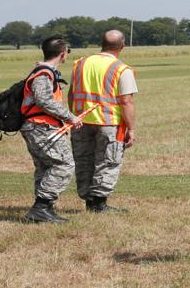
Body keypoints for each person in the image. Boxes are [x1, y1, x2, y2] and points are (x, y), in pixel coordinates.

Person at [68, 30, 140, 215]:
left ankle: (89, 200)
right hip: (109, 123)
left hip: (81, 122)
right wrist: (131, 128)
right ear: (122, 46)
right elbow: (126, 101)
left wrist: (73, 116)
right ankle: (99, 203)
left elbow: (71, 94)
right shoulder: (122, 69)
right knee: (108, 161)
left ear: (101, 44)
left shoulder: (79, 64)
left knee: (84, 160)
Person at [19, 37, 85, 224]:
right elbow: (44, 100)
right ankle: (41, 207)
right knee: (64, 165)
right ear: (62, 54)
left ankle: (44, 210)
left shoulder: (44, 71)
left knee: (45, 167)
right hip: (42, 127)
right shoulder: (44, 74)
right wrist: (70, 116)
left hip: (38, 126)